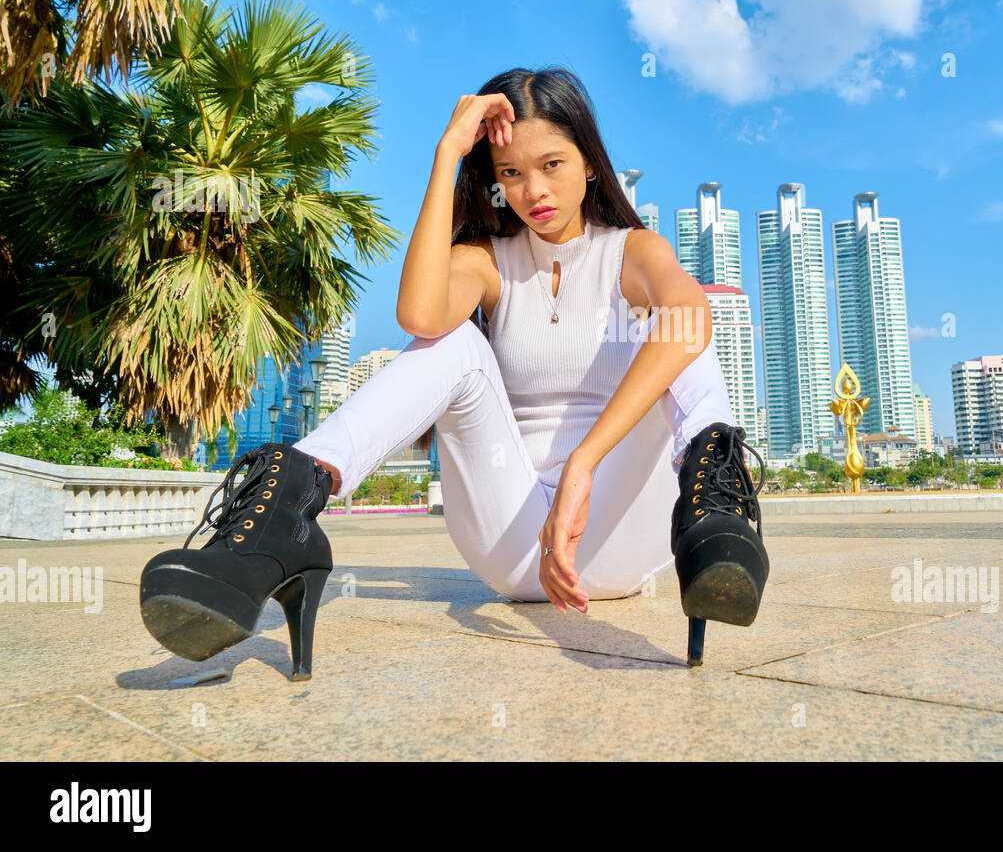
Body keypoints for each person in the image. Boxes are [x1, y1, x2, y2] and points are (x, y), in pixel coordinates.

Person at [138, 67, 768, 680]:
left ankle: (717, 513)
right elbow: (417, 312)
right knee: (452, 341)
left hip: (628, 534)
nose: (535, 192)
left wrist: (584, 463)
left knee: (684, 324)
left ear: (588, 160)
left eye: (552, 164)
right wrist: (447, 153)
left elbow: (687, 320)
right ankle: (285, 506)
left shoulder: (633, 252)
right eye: (511, 174)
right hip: (514, 537)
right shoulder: (487, 262)